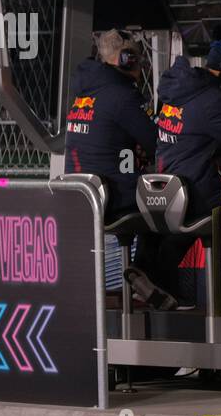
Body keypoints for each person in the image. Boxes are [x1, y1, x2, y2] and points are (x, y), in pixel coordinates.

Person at [63, 29, 174, 309]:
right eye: (137, 57)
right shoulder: (122, 94)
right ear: (127, 59)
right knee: (168, 199)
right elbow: (156, 142)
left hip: (81, 194)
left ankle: (144, 281)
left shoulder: (86, 92)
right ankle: (147, 275)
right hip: (110, 196)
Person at [151, 46, 221, 306]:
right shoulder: (213, 99)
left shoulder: (178, 91)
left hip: (168, 188)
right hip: (195, 196)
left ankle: (157, 277)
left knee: (174, 238)